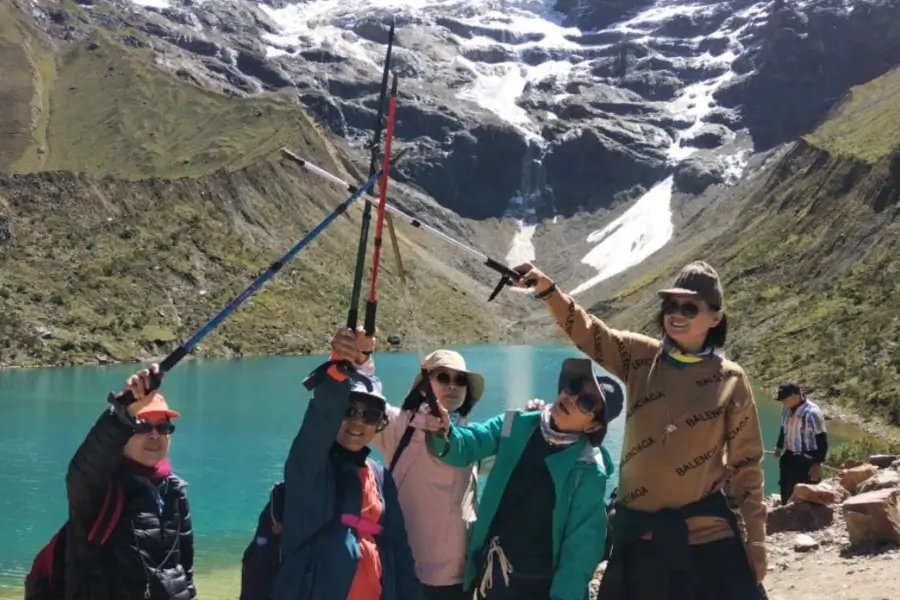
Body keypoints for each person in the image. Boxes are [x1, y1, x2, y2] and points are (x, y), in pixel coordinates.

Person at [512, 260, 767, 600]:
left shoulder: (731, 379)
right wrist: (548, 291)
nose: (676, 314)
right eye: (671, 306)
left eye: (689, 307)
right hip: (638, 535)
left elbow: (746, 465)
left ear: (715, 318)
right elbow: (590, 332)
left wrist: (757, 539)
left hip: (705, 535)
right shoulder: (640, 355)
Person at [423, 357, 620, 600]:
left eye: (586, 401)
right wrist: (444, 431)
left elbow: (580, 551)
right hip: (493, 572)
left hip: (540, 588)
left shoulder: (588, 470)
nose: (572, 397)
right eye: (575, 387)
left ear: (592, 426)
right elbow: (467, 445)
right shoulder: (517, 424)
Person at [331, 329, 485, 600]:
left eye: (460, 380)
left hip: (461, 576)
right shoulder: (400, 426)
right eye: (442, 377)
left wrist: (535, 417)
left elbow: (512, 459)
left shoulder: (473, 439)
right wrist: (362, 357)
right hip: (405, 569)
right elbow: (361, 397)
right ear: (424, 387)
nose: (452, 385)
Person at [271, 359, 422, 600]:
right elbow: (318, 426)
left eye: (369, 415)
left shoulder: (381, 477)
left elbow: (399, 551)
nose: (358, 421)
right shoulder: (311, 469)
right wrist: (336, 373)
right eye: (348, 410)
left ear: (379, 424)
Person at [65, 363, 197, 600]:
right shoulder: (100, 488)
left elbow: (184, 571)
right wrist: (122, 413)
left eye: (163, 426)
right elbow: (88, 463)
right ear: (124, 434)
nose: (154, 434)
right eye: (143, 425)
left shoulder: (175, 492)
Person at [772, 381, 828, 503]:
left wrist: (817, 463)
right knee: (785, 487)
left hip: (806, 459)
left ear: (795, 395)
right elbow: (783, 428)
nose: (782, 402)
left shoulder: (812, 413)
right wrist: (779, 447)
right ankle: (785, 511)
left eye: (784, 399)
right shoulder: (786, 410)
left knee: (804, 491)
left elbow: (822, 439)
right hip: (790, 454)